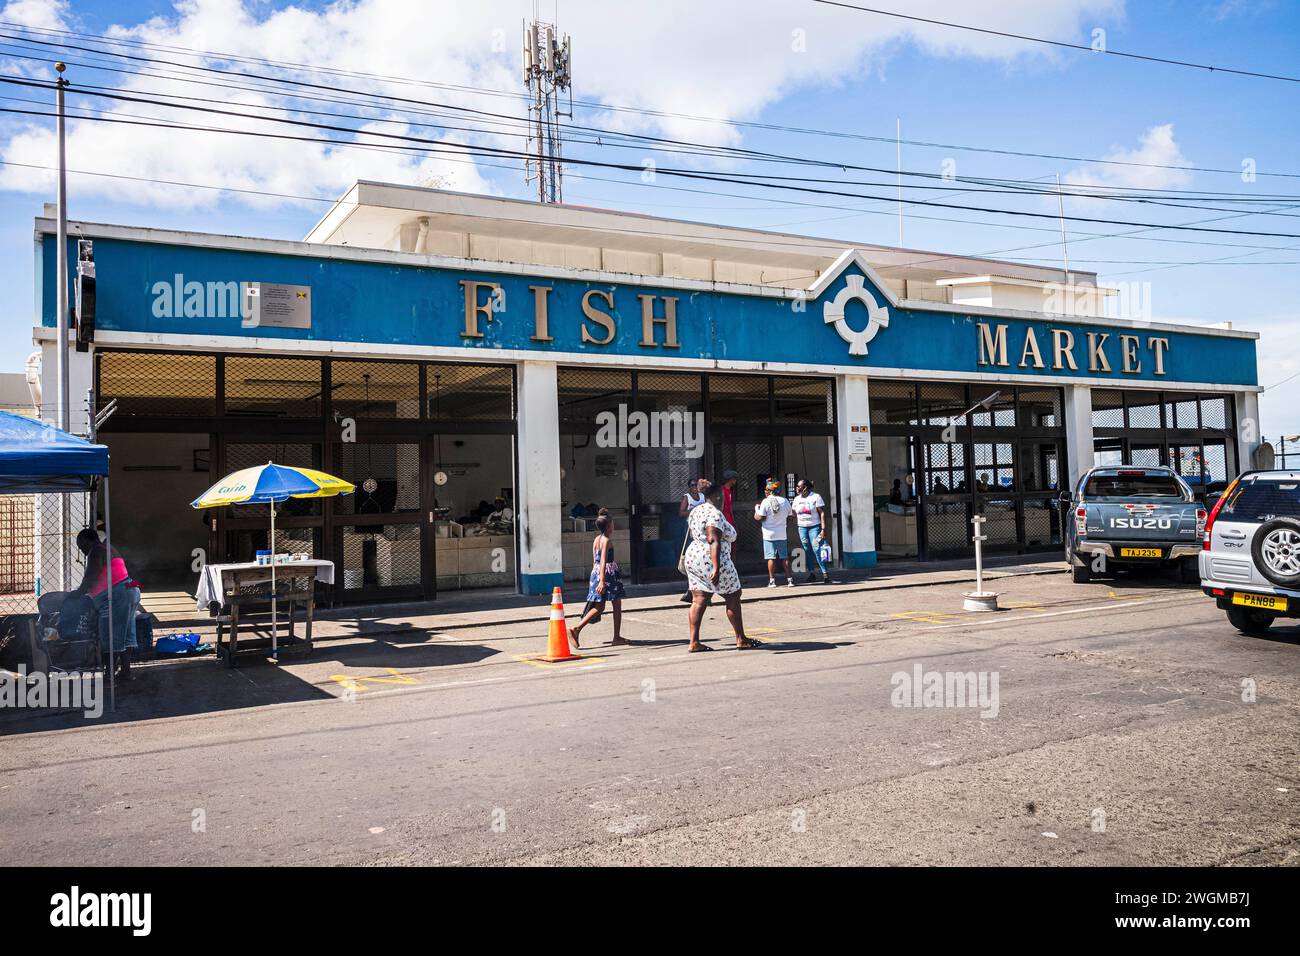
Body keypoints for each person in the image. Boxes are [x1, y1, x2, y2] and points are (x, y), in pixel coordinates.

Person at [683, 478, 759, 652]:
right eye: (723, 496)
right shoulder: (714, 514)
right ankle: (741, 638)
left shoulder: (697, 510)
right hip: (713, 559)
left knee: (699, 599)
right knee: (733, 596)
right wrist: (716, 568)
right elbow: (713, 539)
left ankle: (694, 642)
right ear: (718, 497)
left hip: (693, 557)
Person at [73, 528, 139, 680]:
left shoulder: (95, 551)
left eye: (80, 546)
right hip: (130, 590)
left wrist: (75, 595)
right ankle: (125, 673)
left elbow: (90, 578)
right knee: (127, 635)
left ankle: (109, 677)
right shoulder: (109, 548)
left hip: (116, 596)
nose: (81, 550)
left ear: (85, 541)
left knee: (110, 636)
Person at [569, 511, 628, 648]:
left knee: (599, 607)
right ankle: (616, 637)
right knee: (616, 604)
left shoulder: (596, 539)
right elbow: (603, 561)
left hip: (596, 573)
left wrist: (596, 578)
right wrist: (602, 580)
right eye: (612, 523)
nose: (613, 526)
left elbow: (594, 561)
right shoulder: (607, 541)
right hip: (607, 575)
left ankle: (577, 629)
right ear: (608, 526)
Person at [753, 478, 794, 587]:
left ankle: (772, 581)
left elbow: (761, 517)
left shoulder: (765, 501)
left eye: (766, 489)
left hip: (768, 534)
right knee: (784, 557)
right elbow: (791, 516)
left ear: (770, 491)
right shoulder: (785, 501)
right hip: (781, 533)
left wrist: (756, 510)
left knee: (771, 557)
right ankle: (790, 580)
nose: (765, 491)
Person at [792, 478, 831, 584]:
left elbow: (822, 513)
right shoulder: (796, 499)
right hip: (802, 528)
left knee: (817, 549)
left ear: (805, 488)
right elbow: (794, 513)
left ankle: (825, 574)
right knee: (807, 550)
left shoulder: (815, 497)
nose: (797, 488)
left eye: (798, 486)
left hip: (815, 527)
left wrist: (823, 528)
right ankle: (812, 573)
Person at [678, 478, 706, 603]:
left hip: (702, 527)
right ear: (689, 487)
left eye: (697, 485)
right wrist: (694, 510)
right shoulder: (687, 497)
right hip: (690, 527)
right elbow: (681, 512)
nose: (695, 487)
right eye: (693, 485)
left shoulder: (702, 496)